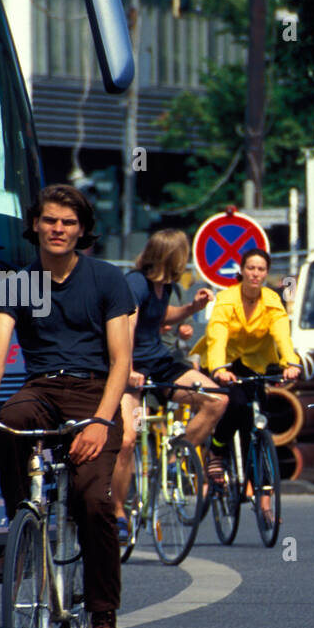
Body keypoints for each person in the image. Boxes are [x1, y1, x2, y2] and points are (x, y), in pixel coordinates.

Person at [0, 184, 133, 628]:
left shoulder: (106, 279)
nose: (58, 229)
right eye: (50, 220)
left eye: (68, 223)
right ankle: (20, 530)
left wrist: (101, 420)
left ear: (82, 230)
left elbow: (122, 361)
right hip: (42, 391)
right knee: (7, 422)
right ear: (34, 224)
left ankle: (103, 621)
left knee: (93, 500)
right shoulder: (15, 283)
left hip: (95, 393)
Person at [113, 229, 225, 544]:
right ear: (172, 257)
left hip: (160, 364)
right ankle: (118, 512)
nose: (186, 261)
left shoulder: (165, 287)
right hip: (130, 369)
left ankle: (174, 460)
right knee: (126, 440)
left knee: (216, 400)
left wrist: (191, 308)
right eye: (184, 255)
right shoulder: (137, 283)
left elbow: (163, 316)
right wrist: (129, 371)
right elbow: (126, 327)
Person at [195, 248, 302, 504]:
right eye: (251, 268)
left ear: (266, 273)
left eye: (261, 269)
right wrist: (219, 368)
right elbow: (217, 335)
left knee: (257, 422)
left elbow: (281, 335)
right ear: (242, 271)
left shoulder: (272, 300)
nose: (255, 274)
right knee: (236, 404)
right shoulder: (226, 299)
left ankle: (261, 493)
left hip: (256, 364)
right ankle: (217, 452)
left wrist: (291, 362)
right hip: (226, 363)